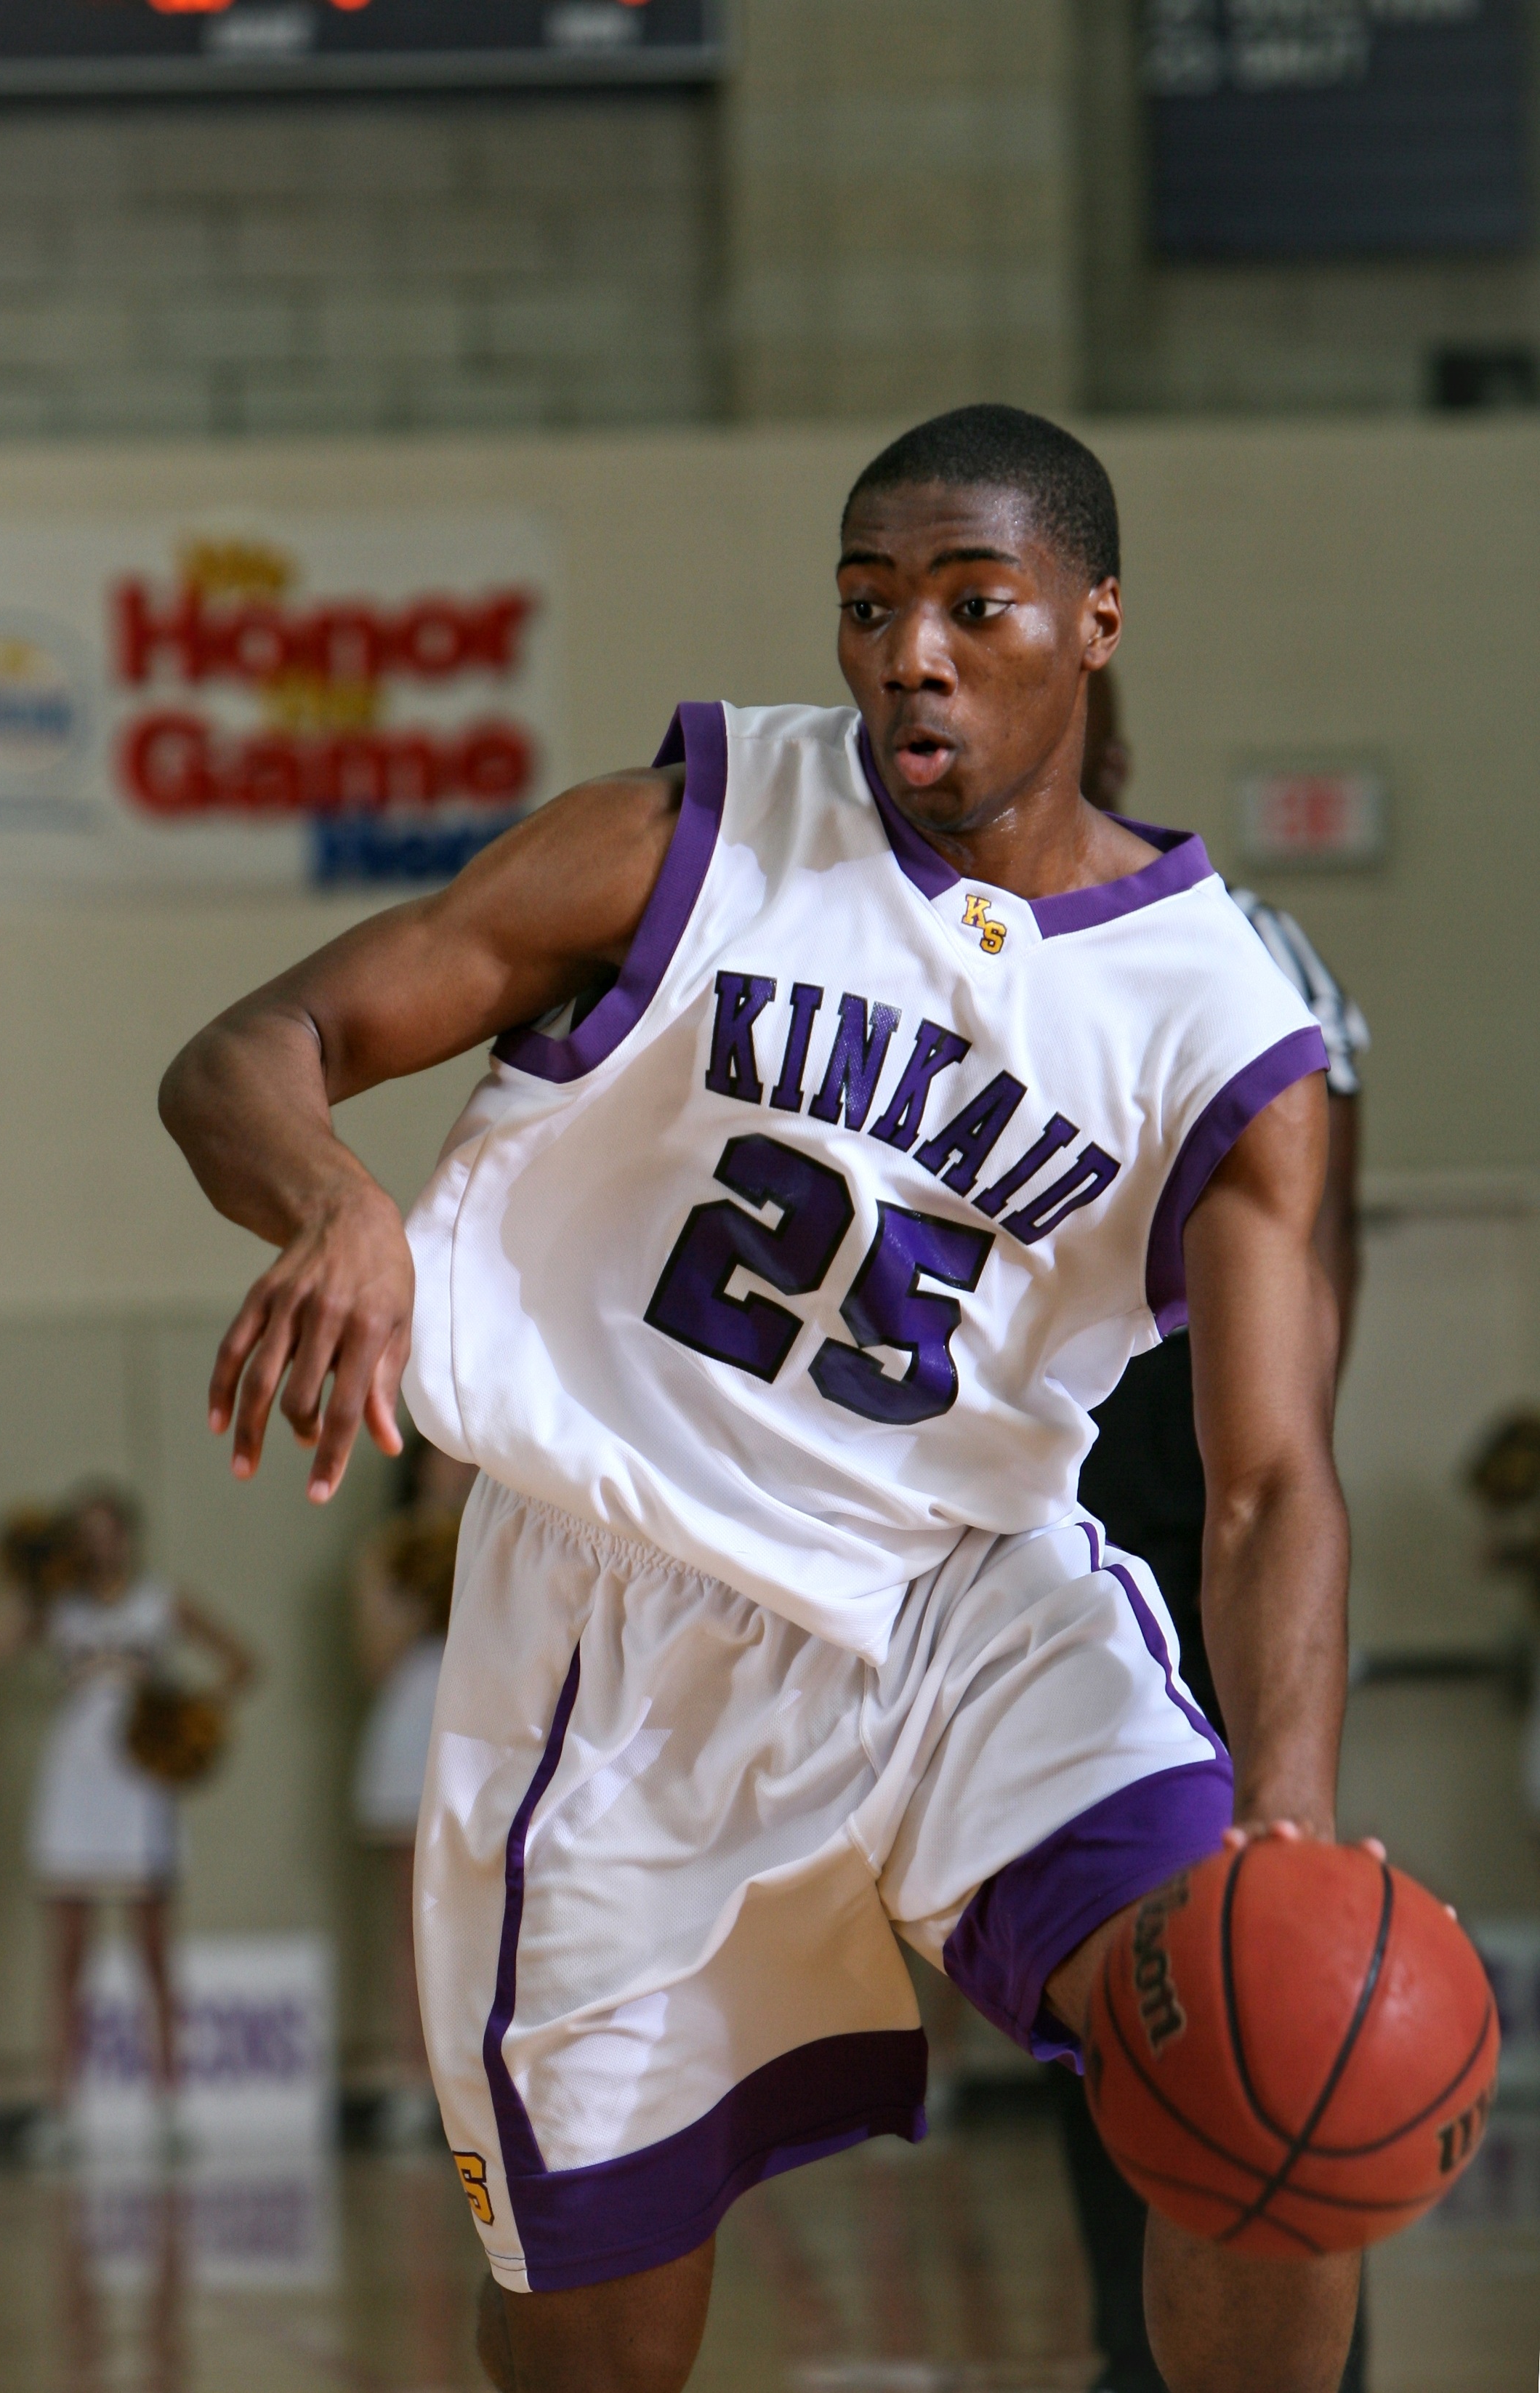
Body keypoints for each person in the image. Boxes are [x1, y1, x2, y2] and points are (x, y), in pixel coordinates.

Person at [161, 404, 1361, 2393]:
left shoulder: (1220, 1018)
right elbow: (250, 1048)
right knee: (595, 2347)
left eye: (974, 606)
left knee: (1266, 2051)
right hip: (616, 1622)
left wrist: (1295, 1821)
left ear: (1092, 623)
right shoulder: (692, 830)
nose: (911, 651)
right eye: (870, 604)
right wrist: (336, 1202)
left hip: (961, 1601)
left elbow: (1264, 1485)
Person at [1051, 667, 1371, 2393]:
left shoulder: (1239, 945)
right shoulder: (941, 944)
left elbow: (1329, 1240)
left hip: (1216, 1466)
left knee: (1277, 1953)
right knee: (1101, 1979)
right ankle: (1129, 2344)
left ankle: (1314, 2359)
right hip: (1048, 1484)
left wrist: (1287, 1450)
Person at [0, 1483, 258, 2162]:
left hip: (139, 1785)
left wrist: (189, 1719)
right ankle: (62, 2110)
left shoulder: (160, 1599)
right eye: (89, 1532)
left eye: (112, 1531)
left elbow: (242, 1662)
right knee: (68, 1957)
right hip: (73, 1778)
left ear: (130, 1536)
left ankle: (169, 2108)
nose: (102, 1544)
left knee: (154, 1953)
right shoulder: (58, 1604)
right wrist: (29, 1576)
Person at [352, 1433, 477, 2146]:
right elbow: (375, 1658)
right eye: (443, 1453)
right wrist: (424, 1582)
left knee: (492, 1926)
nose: (456, 1467)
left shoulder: (518, 1535)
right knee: (414, 1930)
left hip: (488, 1735)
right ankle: (411, 2080)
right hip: (408, 1735)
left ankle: (485, 2080)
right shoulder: (384, 1547)